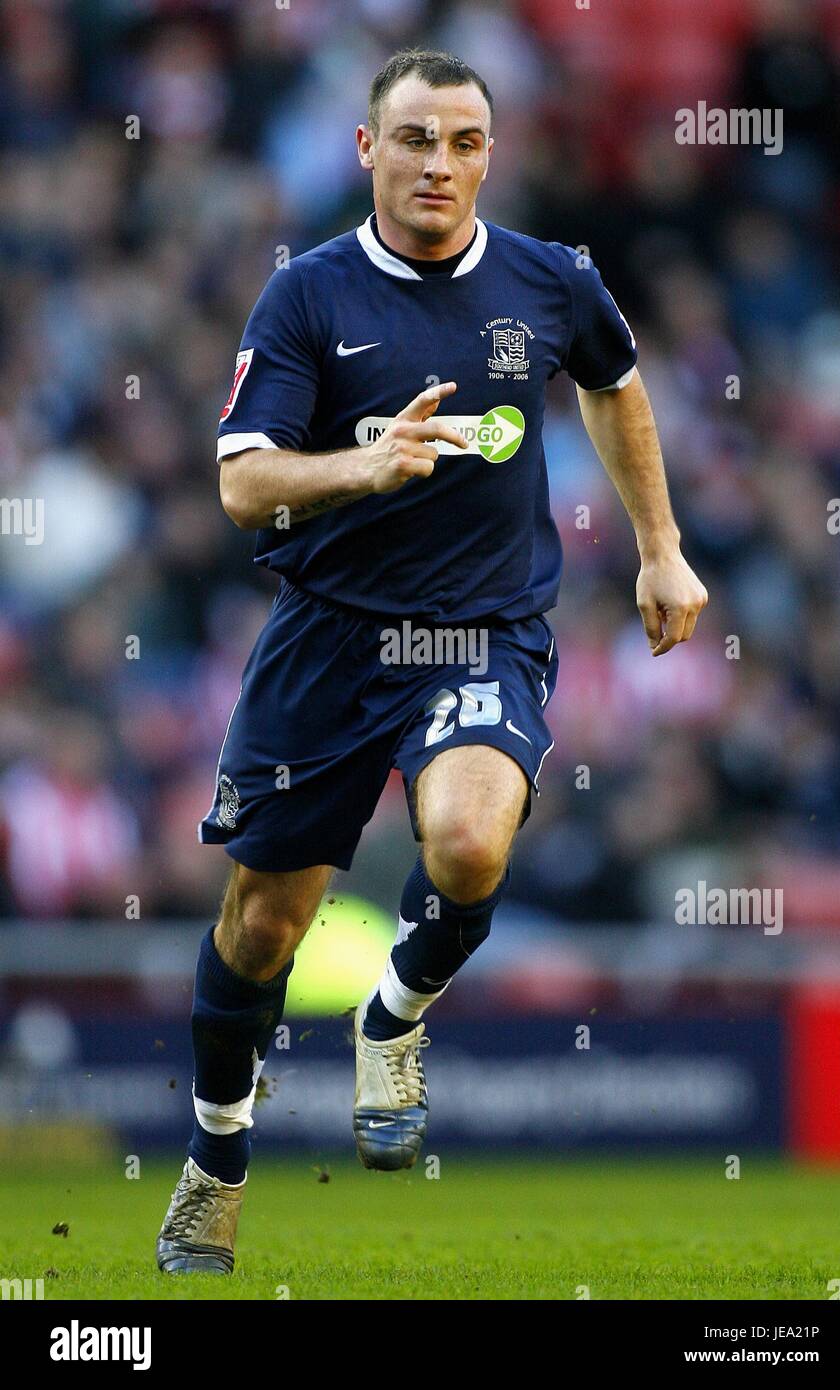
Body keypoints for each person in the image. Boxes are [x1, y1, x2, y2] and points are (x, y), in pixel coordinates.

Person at [156, 48, 707, 1274]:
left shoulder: (549, 281)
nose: (437, 164)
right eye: (412, 139)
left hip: (481, 630)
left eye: (462, 141)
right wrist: (368, 464)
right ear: (366, 151)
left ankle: (393, 1011)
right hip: (327, 637)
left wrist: (660, 547)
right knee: (261, 928)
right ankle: (215, 1160)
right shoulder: (304, 296)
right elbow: (244, 481)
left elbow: (615, 385)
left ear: (488, 155)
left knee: (465, 842)